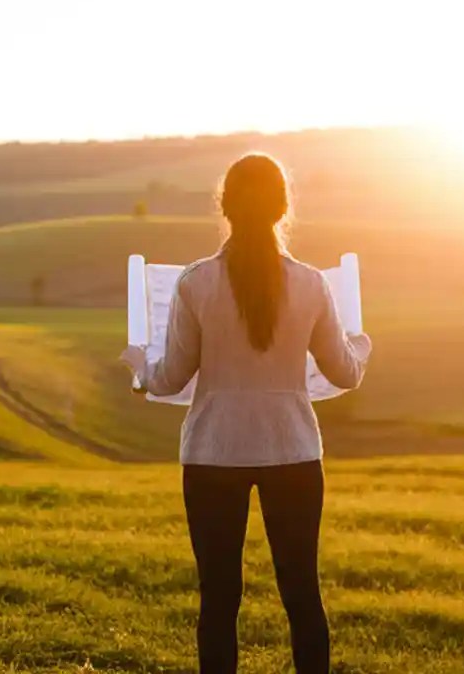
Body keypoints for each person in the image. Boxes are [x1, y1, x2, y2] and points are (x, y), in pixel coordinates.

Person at [120, 153, 371, 674]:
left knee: (218, 602)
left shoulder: (195, 284)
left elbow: (168, 379)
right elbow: (345, 373)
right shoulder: (312, 285)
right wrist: (362, 347)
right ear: (283, 208)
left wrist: (139, 364)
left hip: (213, 455)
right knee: (303, 595)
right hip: (294, 454)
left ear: (224, 206)